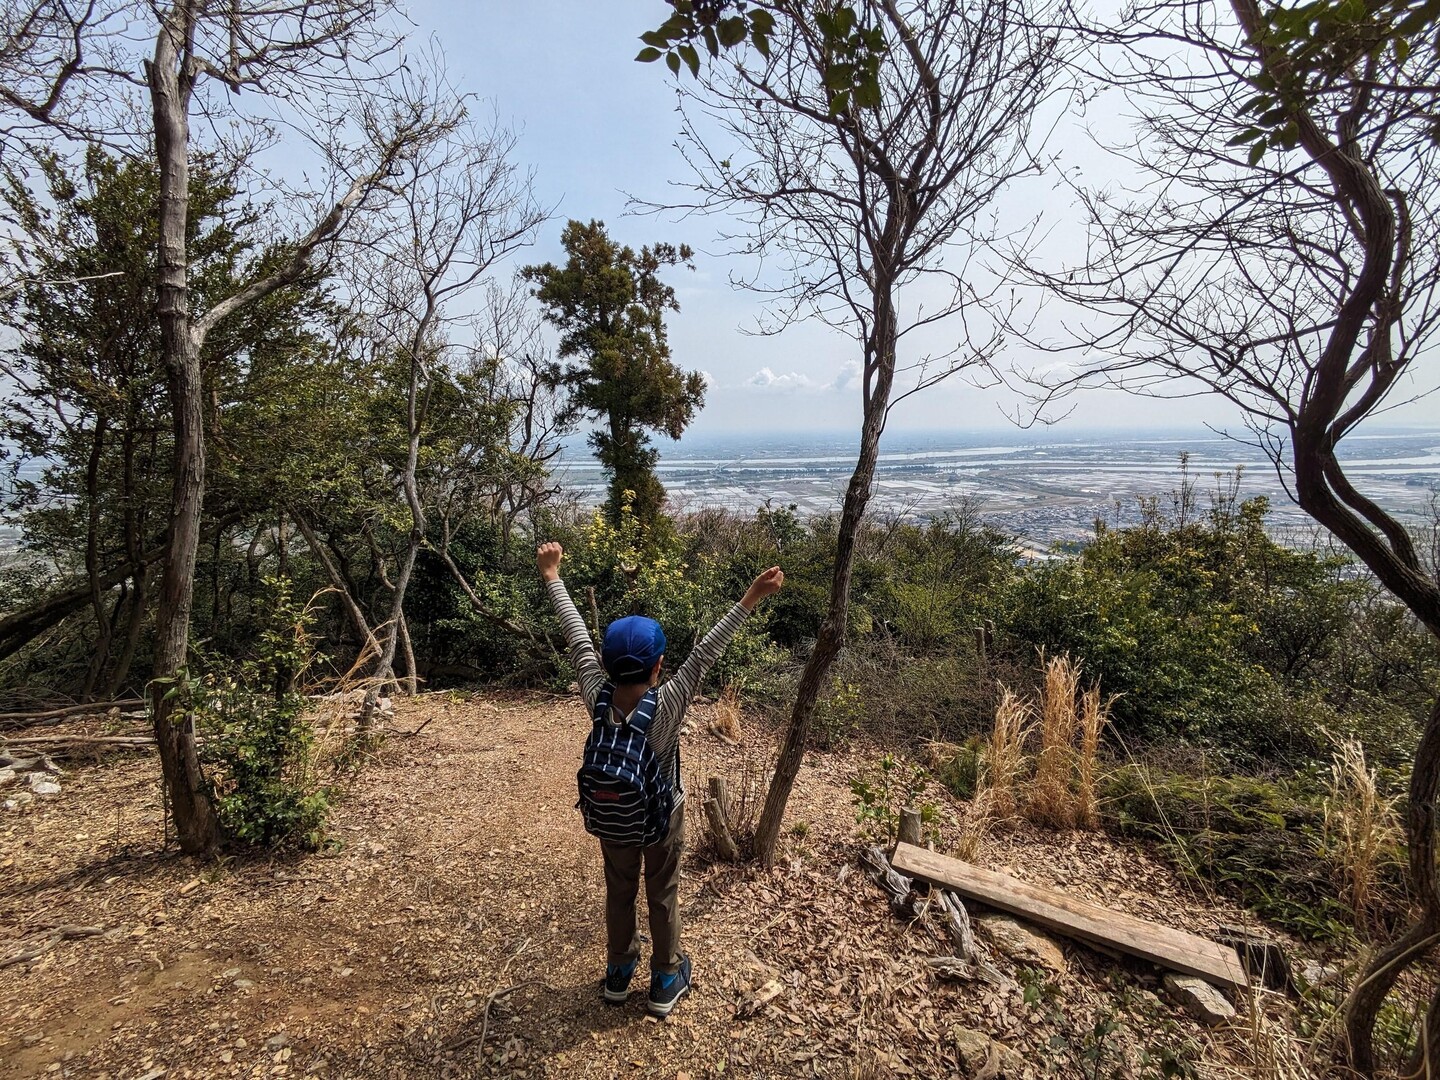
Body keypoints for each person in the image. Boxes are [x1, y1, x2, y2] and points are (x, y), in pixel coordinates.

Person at [537, 540, 783, 1017]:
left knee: (620, 890)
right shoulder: (668, 704)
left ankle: (618, 972)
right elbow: (708, 651)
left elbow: (577, 638)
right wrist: (750, 597)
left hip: (613, 818)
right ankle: (666, 978)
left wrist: (553, 577)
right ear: (659, 666)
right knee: (663, 893)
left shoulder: (596, 694)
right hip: (663, 814)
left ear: (606, 665)